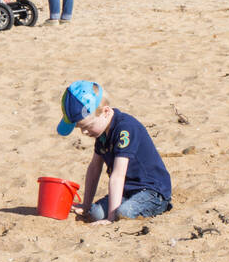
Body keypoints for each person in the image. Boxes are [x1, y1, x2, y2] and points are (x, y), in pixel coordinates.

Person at [58, 81, 173, 224]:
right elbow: (94, 168)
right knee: (95, 213)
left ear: (105, 112)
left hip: (152, 191)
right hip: (128, 191)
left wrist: (110, 219)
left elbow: (118, 175)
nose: (84, 132)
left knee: (122, 213)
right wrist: (86, 205)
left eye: (87, 126)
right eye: (80, 128)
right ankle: (112, 209)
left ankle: (155, 207)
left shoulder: (125, 129)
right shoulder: (101, 134)